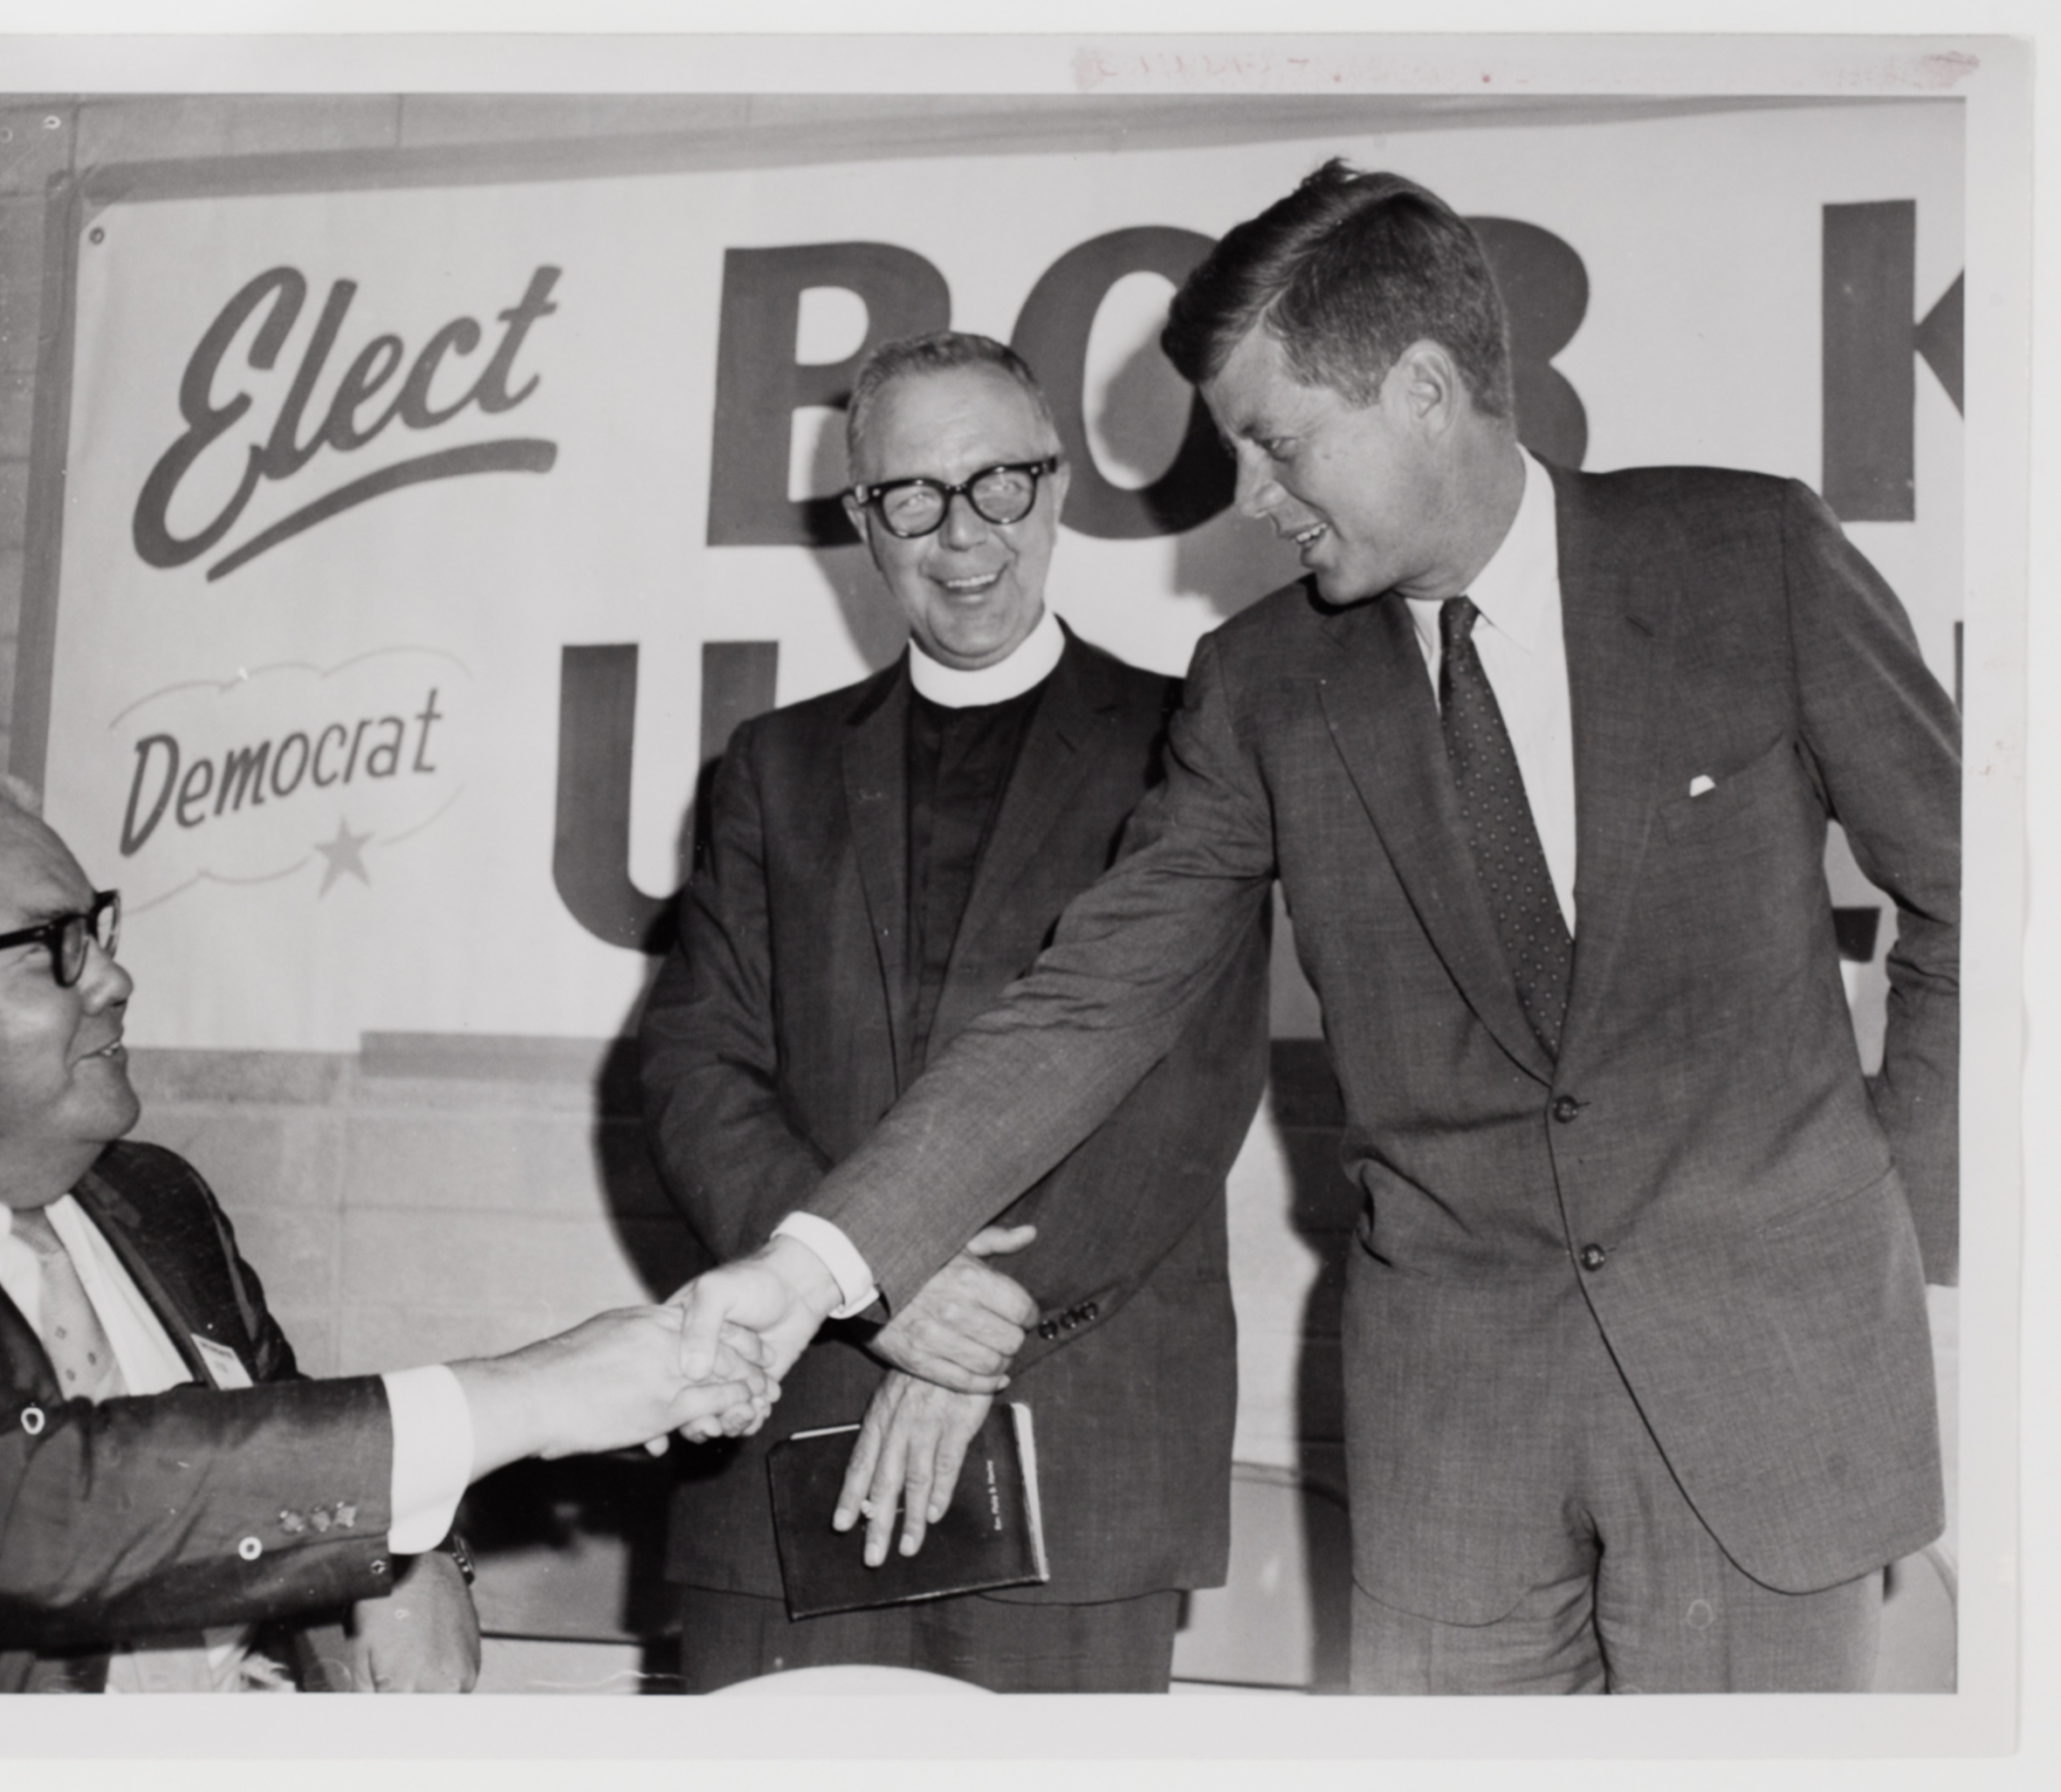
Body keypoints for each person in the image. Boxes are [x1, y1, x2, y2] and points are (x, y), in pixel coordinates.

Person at [675, 161, 1960, 1695]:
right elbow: (1092, 998)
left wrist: (1885, 1202)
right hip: (1454, 1439)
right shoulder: (1261, 684)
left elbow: (1984, 893)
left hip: (1771, 1389)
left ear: (1422, 388)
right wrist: (820, 1263)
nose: (1253, 501)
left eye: (1278, 444)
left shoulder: (1750, 561)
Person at [640, 333, 1268, 1692]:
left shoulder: (1194, 741)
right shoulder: (773, 768)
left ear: (1057, 490)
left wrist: (978, 1324)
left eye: (999, 483)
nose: (963, 533)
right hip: (790, 1432)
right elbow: (697, 1065)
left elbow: (1187, 1086)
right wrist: (886, 1291)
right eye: (913, 495)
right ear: (862, 519)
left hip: (1079, 1440)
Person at [0, 775, 776, 1692]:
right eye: (49, 947)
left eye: (98, 928)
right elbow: (33, 1510)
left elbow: (274, 1447)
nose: (116, 977)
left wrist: (408, 1559)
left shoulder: (156, 1201)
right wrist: (539, 1392)